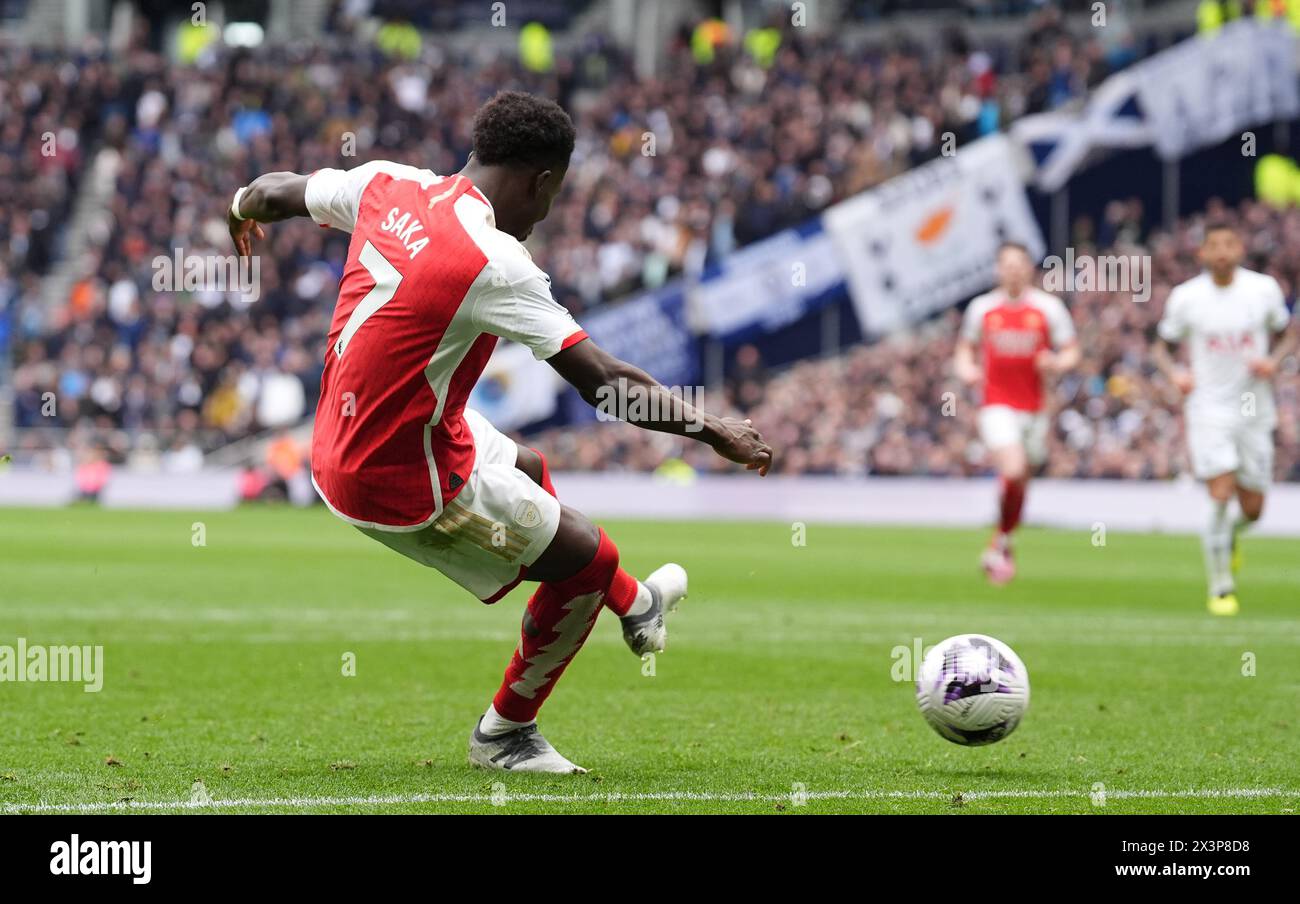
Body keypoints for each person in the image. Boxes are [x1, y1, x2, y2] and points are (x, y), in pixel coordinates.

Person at [228, 91, 773, 771]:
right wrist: (714, 429)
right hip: (394, 478)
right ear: (539, 181)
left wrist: (240, 208)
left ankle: (636, 605)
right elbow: (603, 382)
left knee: (530, 468)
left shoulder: (388, 183)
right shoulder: (494, 261)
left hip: (353, 437)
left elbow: (278, 191)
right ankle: (507, 733)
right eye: (550, 197)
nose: (543, 216)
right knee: (586, 560)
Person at [1153, 223, 1294, 616]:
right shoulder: (1186, 298)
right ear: (1201, 254)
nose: (1221, 251)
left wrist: (1274, 361)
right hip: (1208, 407)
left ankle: (1230, 535)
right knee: (1220, 489)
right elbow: (1161, 347)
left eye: (1229, 243)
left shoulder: (1263, 290)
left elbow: (1288, 334)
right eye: (1213, 245)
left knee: (1253, 508)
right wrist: (1175, 375)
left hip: (1254, 407)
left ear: (1240, 248)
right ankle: (1220, 587)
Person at [954, 242, 1079, 584]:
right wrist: (966, 369)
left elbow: (1071, 351)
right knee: (1014, 466)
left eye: (1019, 264)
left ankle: (1002, 543)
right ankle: (1002, 542)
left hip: (1035, 408)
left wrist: (1056, 363)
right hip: (996, 404)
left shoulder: (1048, 308)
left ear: (1029, 268)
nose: (1013, 270)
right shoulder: (982, 308)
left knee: (1020, 478)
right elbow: (964, 348)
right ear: (997, 269)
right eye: (1006, 264)